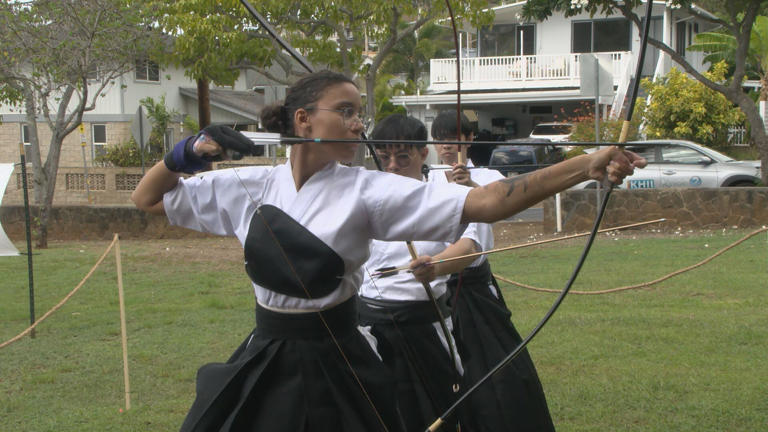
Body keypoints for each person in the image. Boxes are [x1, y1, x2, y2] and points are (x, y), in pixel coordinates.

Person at [131, 70, 645, 432]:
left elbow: (488, 202)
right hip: (267, 352)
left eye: (361, 113)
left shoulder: (368, 190)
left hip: (339, 357)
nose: (359, 125)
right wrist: (188, 153)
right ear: (303, 121)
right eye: (346, 112)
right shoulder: (250, 184)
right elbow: (149, 199)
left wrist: (584, 165)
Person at [431, 110, 557, 431]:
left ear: (470, 139)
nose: (447, 147)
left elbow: (500, 205)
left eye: (455, 139)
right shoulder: (425, 178)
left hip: (473, 288)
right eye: (441, 139)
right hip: (431, 288)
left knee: (499, 373)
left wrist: (471, 186)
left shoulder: (488, 177)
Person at [358, 114, 479, 431]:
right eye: (385, 158)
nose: (393, 167)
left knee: (434, 413)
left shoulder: (444, 197)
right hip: (367, 325)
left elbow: (469, 246)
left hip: (423, 323)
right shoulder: (364, 198)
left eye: (403, 157)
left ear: (423, 154)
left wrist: (436, 265)